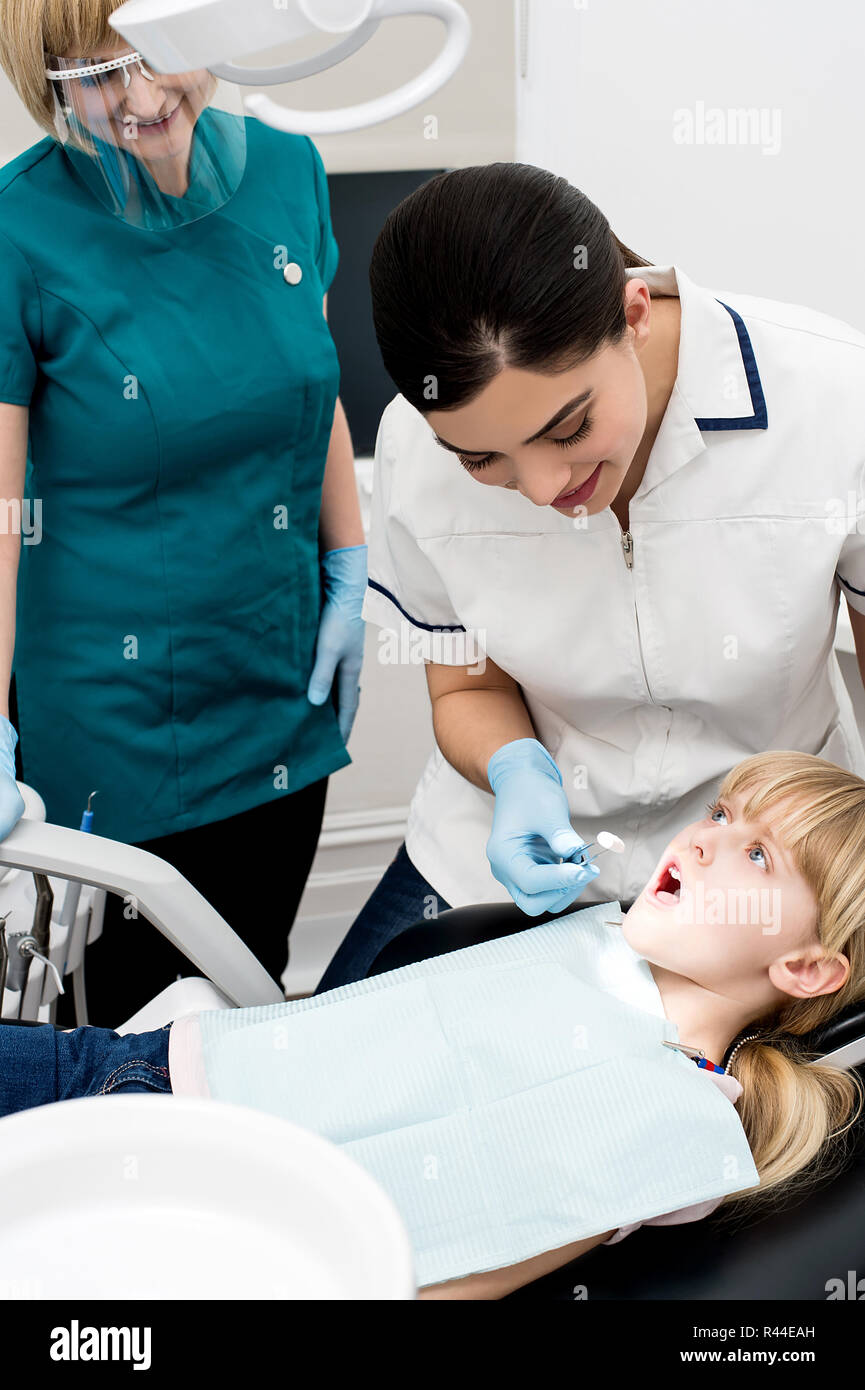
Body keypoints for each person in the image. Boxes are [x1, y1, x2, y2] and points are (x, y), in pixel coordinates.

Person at [2, 749, 863, 1300]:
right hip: (130, 1073)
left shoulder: (671, 1119)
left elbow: (468, 1272)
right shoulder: (594, 934)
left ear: (805, 968)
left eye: (756, 856)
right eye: (719, 813)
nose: (704, 840)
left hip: (208, 1222)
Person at [315, 163, 865, 991]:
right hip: (499, 848)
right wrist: (516, 771)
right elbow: (466, 690)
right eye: (482, 459)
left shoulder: (827, 397)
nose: (543, 489)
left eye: (567, 426)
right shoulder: (411, 446)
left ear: (632, 315)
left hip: (756, 868)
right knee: (324, 1069)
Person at [0, 0, 367, 1022]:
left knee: (249, 992)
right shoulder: (17, 231)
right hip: (109, 723)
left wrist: (350, 564)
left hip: (275, 674)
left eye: (164, 60)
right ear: (46, 77)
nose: (147, 99)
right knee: (127, 1029)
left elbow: (314, 380)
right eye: (101, 75)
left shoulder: (288, 174)